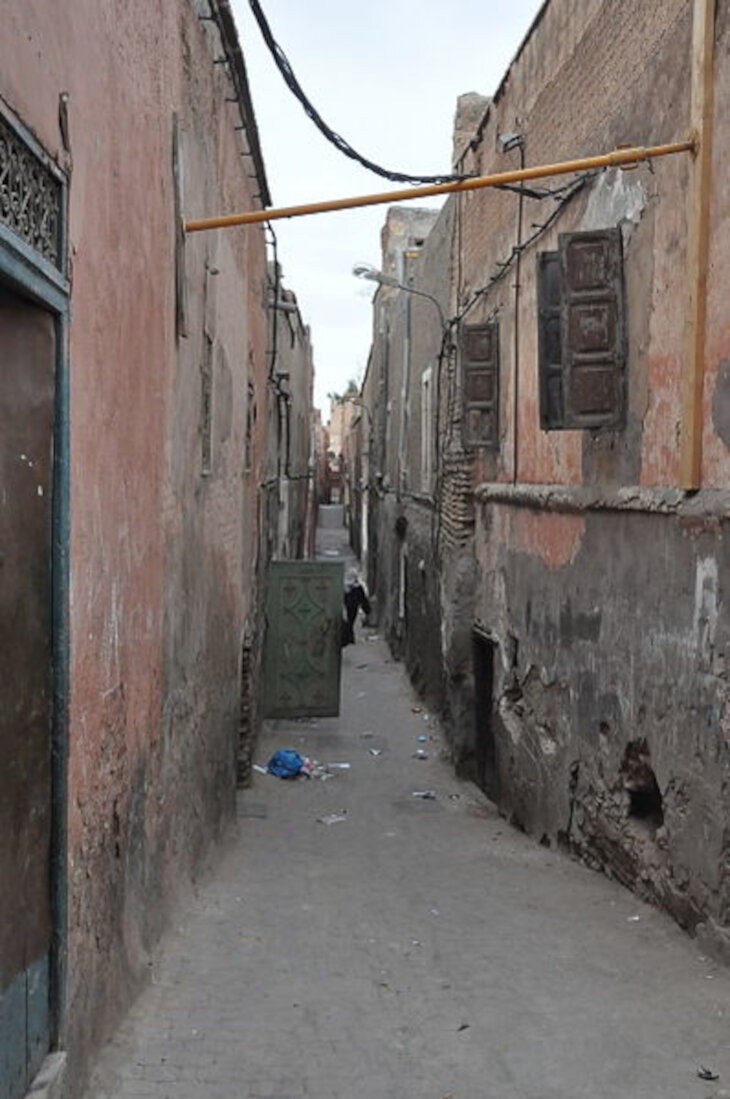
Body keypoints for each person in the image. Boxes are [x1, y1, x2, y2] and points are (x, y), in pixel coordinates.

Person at [341, 569, 371, 647]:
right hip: (353, 607)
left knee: (349, 622)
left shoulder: (345, 587)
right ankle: (349, 637)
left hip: (346, 606)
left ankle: (349, 637)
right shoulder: (357, 587)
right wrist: (367, 610)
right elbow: (362, 599)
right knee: (350, 621)